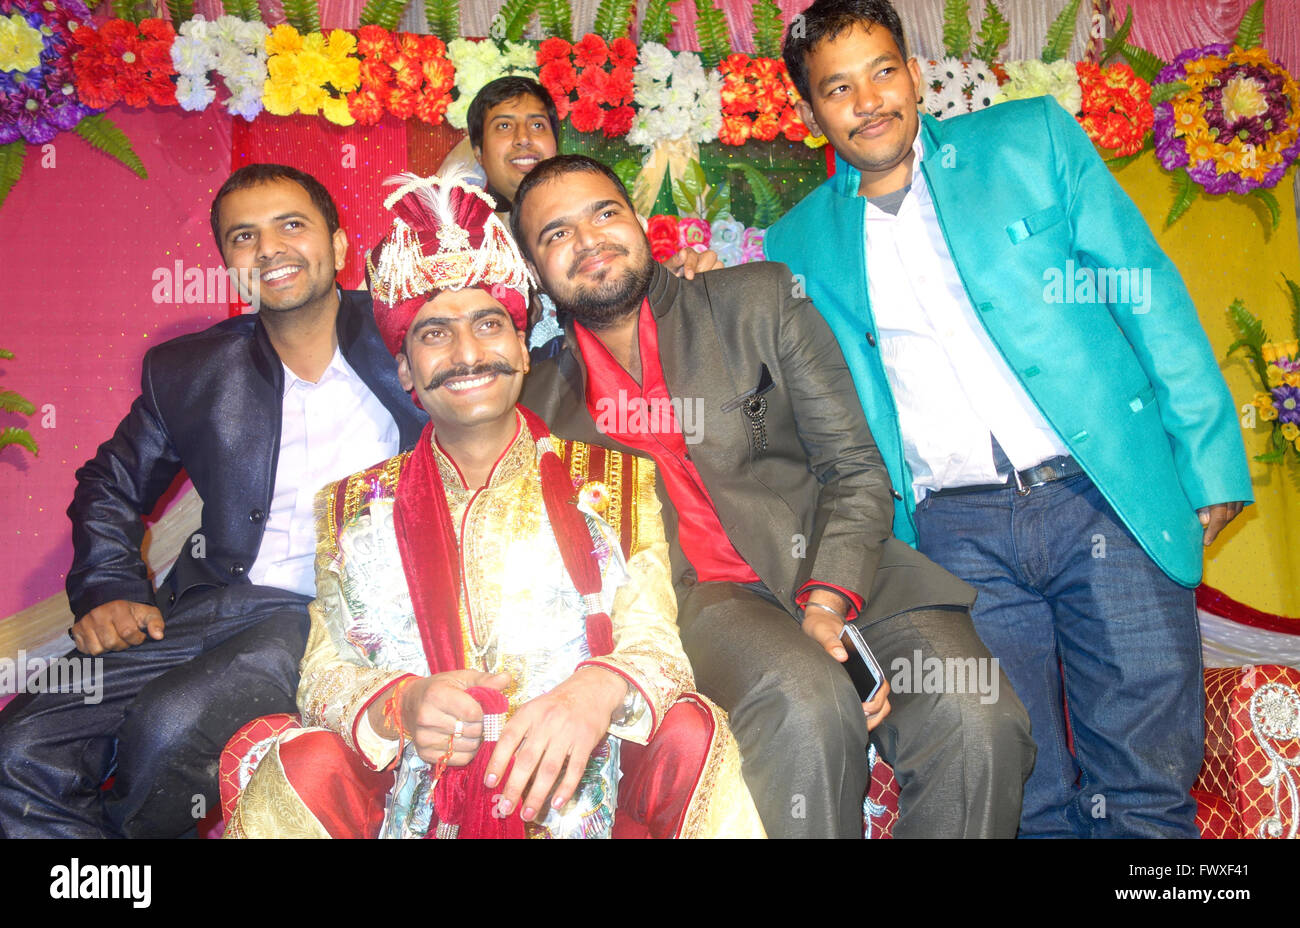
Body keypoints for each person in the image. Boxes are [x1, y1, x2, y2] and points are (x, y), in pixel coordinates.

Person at [765, 0, 1253, 837]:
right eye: (838, 88)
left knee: (1146, 784)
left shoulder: (1031, 142)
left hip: (1101, 496)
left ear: (915, 74)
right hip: (955, 542)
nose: (870, 100)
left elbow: (1143, 289)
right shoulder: (795, 244)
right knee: (1021, 794)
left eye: (884, 71)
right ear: (812, 113)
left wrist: (1207, 460)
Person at [226, 168, 763, 839]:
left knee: (691, 731)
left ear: (523, 350)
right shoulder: (354, 506)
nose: (468, 353)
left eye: (488, 325)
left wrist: (596, 690)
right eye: (433, 334)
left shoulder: (613, 483)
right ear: (405, 372)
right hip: (414, 800)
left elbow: (656, 645)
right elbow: (324, 677)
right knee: (302, 761)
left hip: (577, 790)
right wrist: (401, 705)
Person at [514, 154, 1034, 839]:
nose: (589, 240)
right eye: (557, 234)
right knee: (807, 702)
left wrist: (827, 601)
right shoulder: (538, 404)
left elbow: (853, 467)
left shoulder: (756, 300)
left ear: (638, 222)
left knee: (978, 719)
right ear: (534, 270)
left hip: (847, 563)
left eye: (605, 213)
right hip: (708, 605)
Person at [0, 164, 427, 838]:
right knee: (22, 743)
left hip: (333, 618)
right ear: (229, 261)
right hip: (207, 606)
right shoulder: (191, 370)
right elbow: (108, 483)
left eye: (292, 225)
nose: (270, 249)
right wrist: (108, 586)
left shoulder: (414, 338)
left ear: (341, 246)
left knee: (170, 729)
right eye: (244, 237)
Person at [465, 76, 718, 358]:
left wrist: (672, 288)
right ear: (478, 151)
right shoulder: (459, 248)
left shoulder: (606, 224)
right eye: (504, 126)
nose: (523, 139)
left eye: (537, 125)